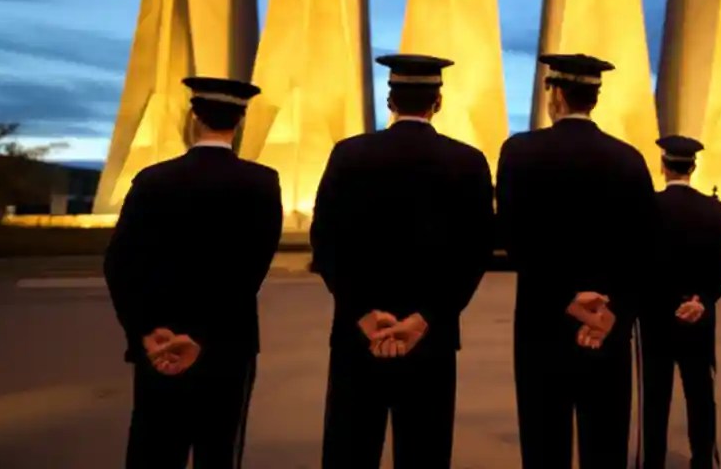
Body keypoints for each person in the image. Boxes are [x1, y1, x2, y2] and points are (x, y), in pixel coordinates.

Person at [311, 54, 495, 469]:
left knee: (349, 452)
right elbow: (475, 252)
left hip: (360, 336)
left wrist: (361, 312)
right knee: (424, 453)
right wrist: (426, 317)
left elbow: (325, 242)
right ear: (438, 102)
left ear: (390, 100)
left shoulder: (349, 155)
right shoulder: (467, 162)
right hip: (430, 337)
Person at [104, 76, 283, 469]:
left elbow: (119, 264)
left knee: (153, 449)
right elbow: (250, 271)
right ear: (240, 121)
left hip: (161, 346)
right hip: (226, 346)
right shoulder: (261, 182)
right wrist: (202, 336)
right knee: (218, 451)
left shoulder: (153, 179)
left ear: (194, 117)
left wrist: (146, 332)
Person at [497, 53, 657, 469]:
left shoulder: (520, 152)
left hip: (541, 326)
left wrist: (565, 299)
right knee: (605, 446)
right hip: (605, 327)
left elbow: (513, 238)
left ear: (555, 96)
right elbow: (645, 249)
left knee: (543, 445)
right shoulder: (628, 159)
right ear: (594, 98)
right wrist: (613, 311)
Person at [636, 135, 721, 469]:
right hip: (698, 314)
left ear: (663, 166)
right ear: (693, 167)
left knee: (654, 395)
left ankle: (652, 460)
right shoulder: (713, 209)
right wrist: (704, 299)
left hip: (654, 315)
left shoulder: (647, 207)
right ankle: (703, 459)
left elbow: (633, 261)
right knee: (700, 394)